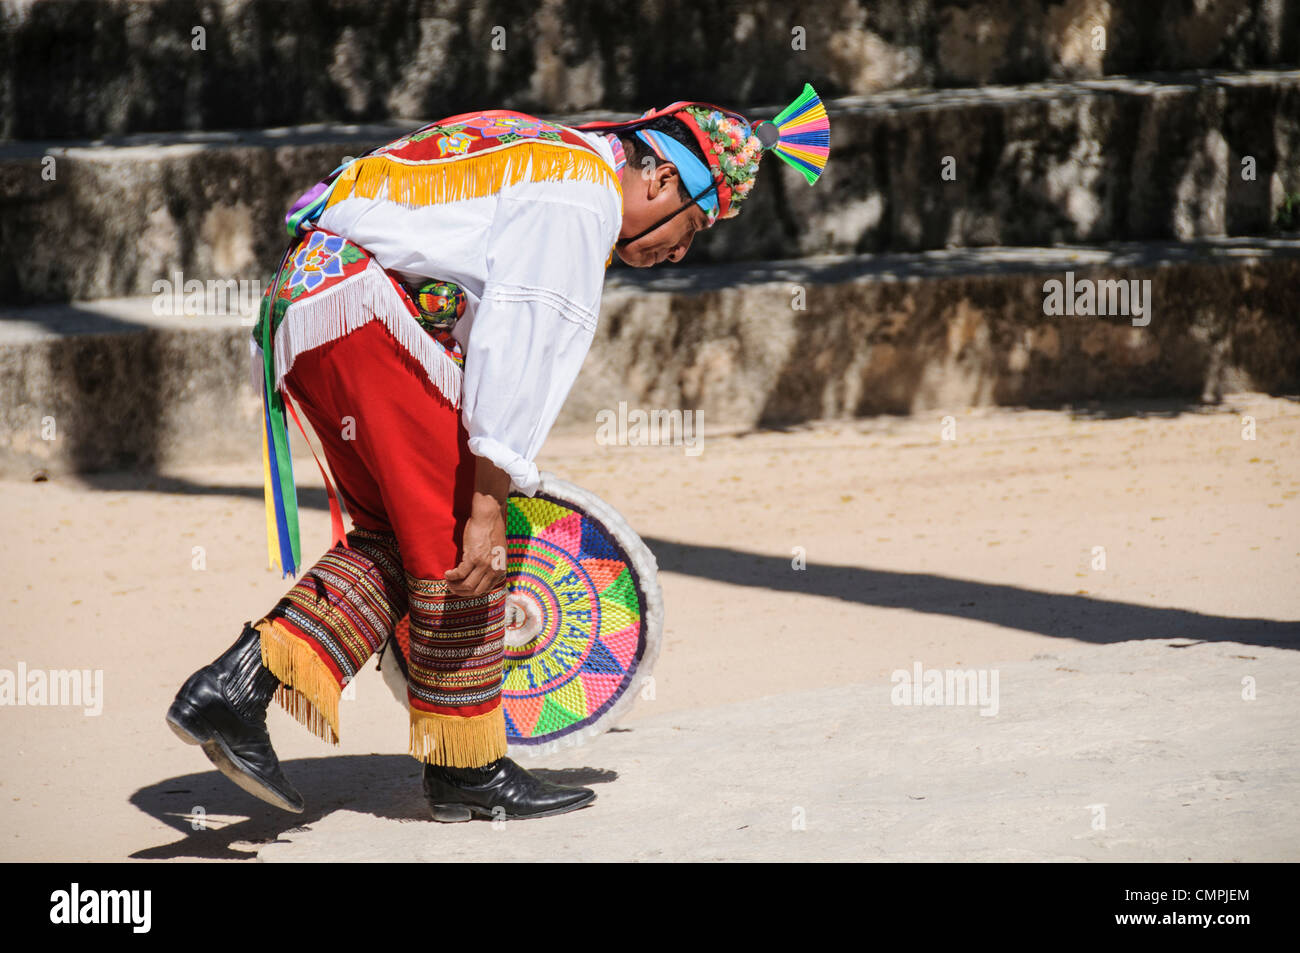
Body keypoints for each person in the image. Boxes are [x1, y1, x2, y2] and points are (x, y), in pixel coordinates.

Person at [166, 87, 829, 821]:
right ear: (660, 180)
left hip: (316, 304)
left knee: (404, 537)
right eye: (693, 225)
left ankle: (248, 692)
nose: (680, 249)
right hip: (358, 313)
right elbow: (515, 345)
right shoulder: (582, 196)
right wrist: (487, 501)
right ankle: (466, 768)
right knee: (463, 531)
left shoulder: (558, 163)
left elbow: (480, 320)